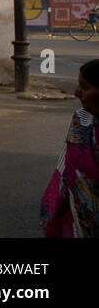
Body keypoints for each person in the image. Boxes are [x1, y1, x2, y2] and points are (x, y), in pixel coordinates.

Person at [41, 58, 99, 237]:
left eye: (85, 86)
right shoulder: (81, 120)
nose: (76, 92)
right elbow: (67, 169)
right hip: (85, 220)